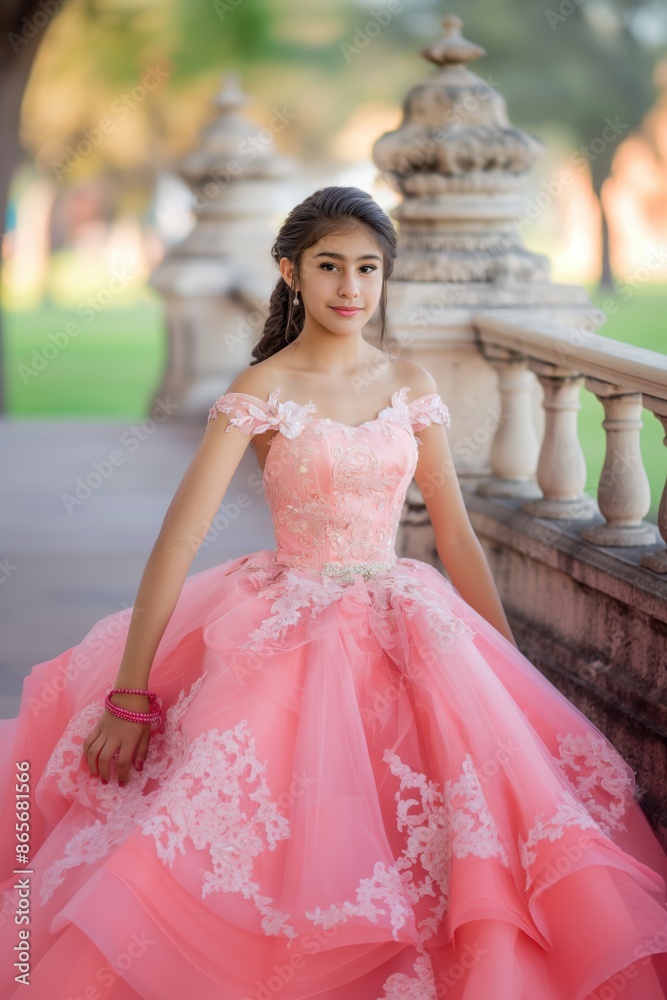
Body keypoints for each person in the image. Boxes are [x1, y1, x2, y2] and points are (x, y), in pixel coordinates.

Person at [1, 186, 666, 1000]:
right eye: (328, 267)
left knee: (448, 819)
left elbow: (454, 535)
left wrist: (506, 666)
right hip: (289, 622)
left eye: (367, 269)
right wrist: (130, 692)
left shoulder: (409, 381)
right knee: (277, 831)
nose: (350, 287)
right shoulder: (261, 389)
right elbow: (178, 539)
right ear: (289, 272)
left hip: (406, 613)